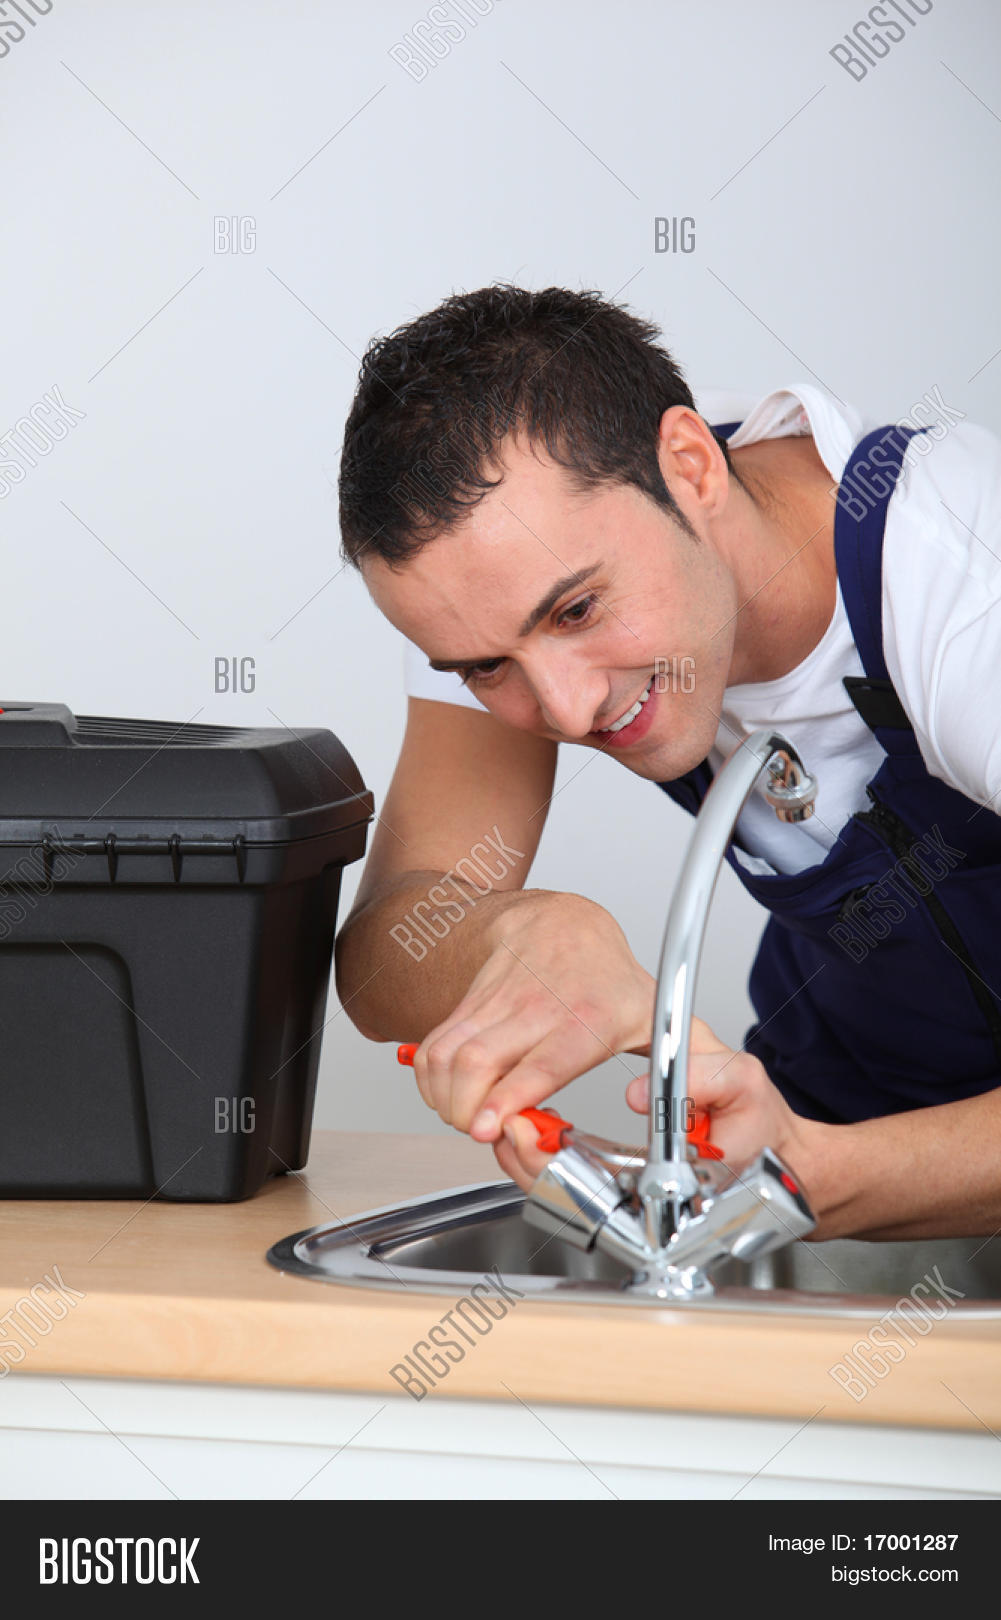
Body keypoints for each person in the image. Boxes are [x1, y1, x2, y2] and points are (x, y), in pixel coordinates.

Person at [334, 283, 1001, 1240]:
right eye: (486, 667)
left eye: (576, 613)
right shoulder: (489, 582)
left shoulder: (958, 591)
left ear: (690, 466)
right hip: (852, 1142)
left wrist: (820, 1179)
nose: (565, 711)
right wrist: (517, 934)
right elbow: (382, 958)